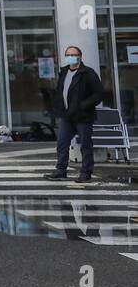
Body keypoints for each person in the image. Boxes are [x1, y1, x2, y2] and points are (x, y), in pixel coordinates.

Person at [43, 45, 104, 184]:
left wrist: (83, 105)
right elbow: (60, 91)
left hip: (83, 116)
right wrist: (58, 106)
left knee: (85, 145)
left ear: (80, 57)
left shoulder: (88, 73)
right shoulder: (64, 72)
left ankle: (86, 173)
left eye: (73, 55)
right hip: (67, 115)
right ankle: (61, 171)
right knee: (62, 143)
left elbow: (99, 94)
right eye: (68, 55)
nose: (70, 57)